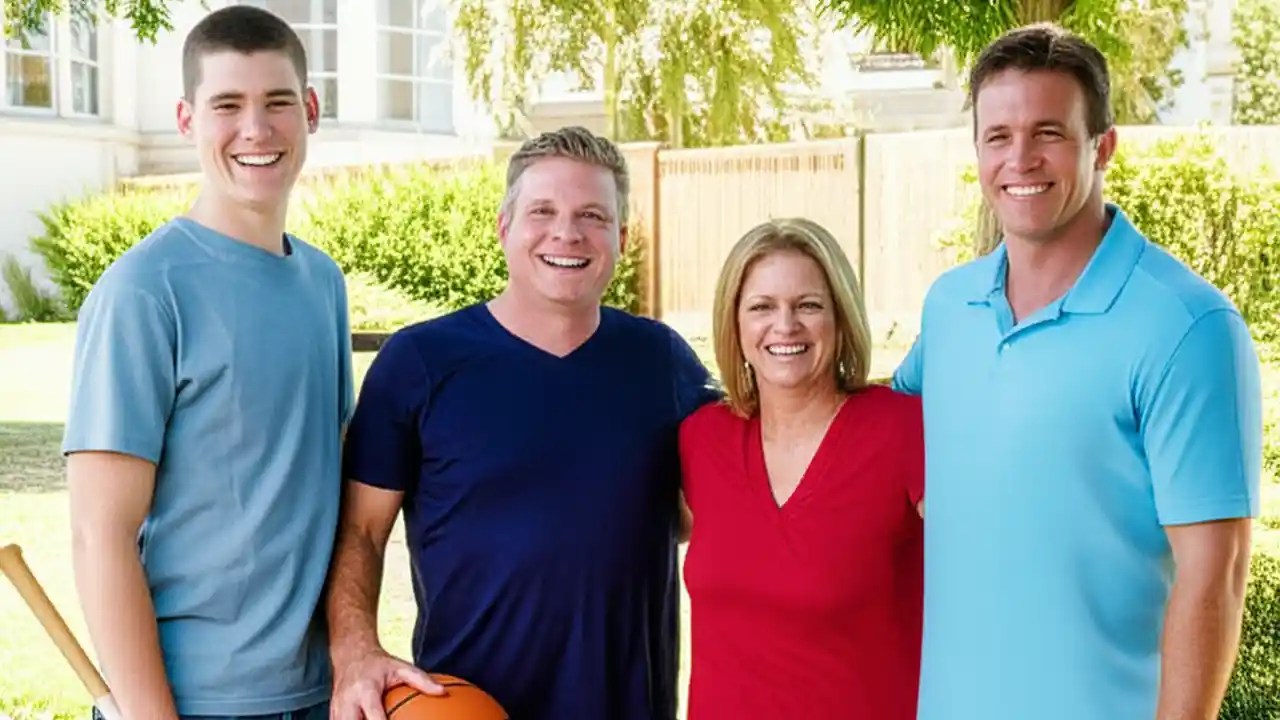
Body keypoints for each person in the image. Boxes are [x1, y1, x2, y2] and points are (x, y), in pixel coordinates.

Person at [894, 23, 1261, 720]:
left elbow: (1215, 579)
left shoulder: (1188, 329)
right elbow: (864, 438)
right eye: (998, 136)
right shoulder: (950, 307)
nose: (1020, 158)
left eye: (1049, 133)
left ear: (1104, 146)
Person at [327, 126, 717, 720]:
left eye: (593, 215)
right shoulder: (420, 363)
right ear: (504, 226)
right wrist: (355, 653)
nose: (567, 232)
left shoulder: (663, 363)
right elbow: (360, 533)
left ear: (623, 236)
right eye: (543, 211)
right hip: (469, 705)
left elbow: (720, 510)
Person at [63, 6, 350, 720]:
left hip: (314, 693)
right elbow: (101, 534)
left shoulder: (323, 283)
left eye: (277, 102)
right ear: (188, 119)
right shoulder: (143, 291)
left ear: (310, 110)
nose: (256, 128)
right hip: (192, 702)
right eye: (228, 104)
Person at [679, 218, 925, 719]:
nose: (785, 325)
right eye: (762, 307)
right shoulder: (701, 439)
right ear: (736, 324)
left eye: (808, 305)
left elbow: (991, 577)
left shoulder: (903, 429)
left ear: (841, 317)